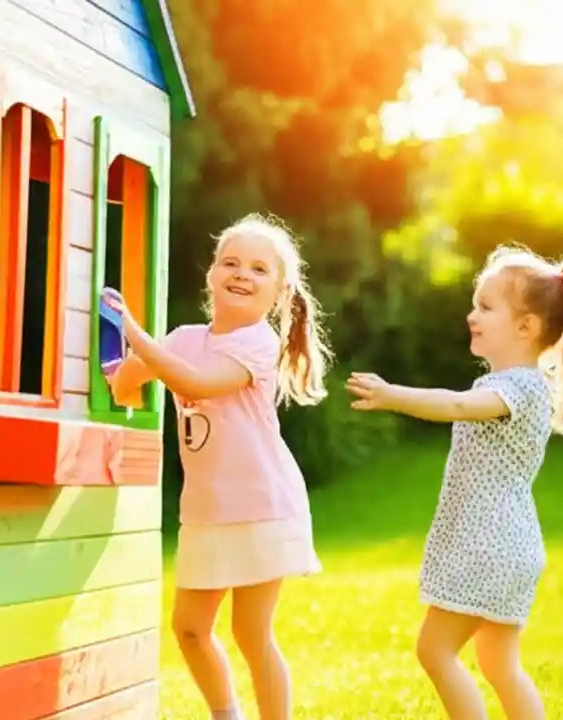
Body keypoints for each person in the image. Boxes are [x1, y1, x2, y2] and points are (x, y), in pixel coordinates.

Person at [346, 245, 563, 720]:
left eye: (486, 306)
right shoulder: (523, 386)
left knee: (434, 652)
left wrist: (392, 395)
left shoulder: (517, 388)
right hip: (510, 546)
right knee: (499, 663)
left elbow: (455, 406)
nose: (471, 315)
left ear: (525, 327)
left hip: (490, 546)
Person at [104, 213, 332, 720]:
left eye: (257, 269)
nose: (241, 274)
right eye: (230, 262)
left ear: (278, 292)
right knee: (189, 628)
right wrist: (115, 365)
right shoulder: (185, 337)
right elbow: (129, 377)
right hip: (207, 511)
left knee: (251, 634)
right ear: (210, 274)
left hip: (262, 506)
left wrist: (132, 332)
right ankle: (226, 715)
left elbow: (198, 381)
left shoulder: (257, 343)